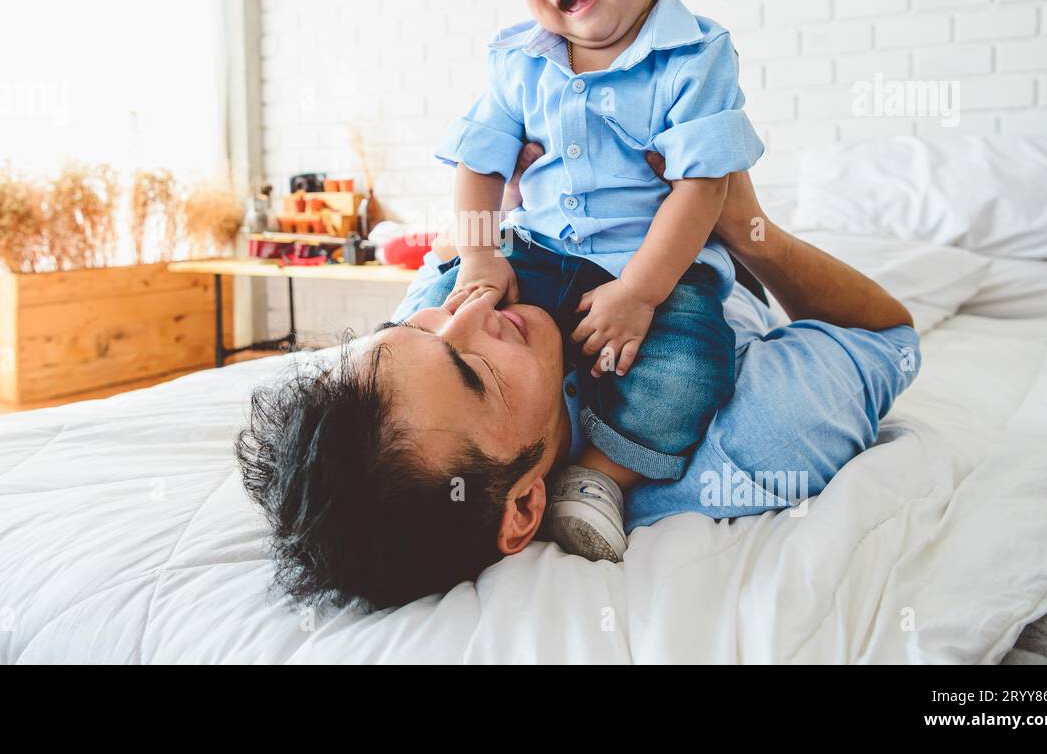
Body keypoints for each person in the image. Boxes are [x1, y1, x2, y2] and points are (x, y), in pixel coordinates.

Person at [235, 159, 920, 612]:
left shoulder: (444, 309)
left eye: (416, 328)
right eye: (472, 373)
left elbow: (462, 257)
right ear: (524, 510)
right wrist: (747, 230)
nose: (472, 310)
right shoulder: (755, 440)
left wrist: (526, 181)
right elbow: (888, 337)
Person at [435, 0, 764, 560]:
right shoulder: (518, 60)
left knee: (694, 359)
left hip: (655, 268)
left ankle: (599, 474)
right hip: (542, 246)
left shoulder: (696, 56)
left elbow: (702, 188)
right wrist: (483, 256)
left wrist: (642, 293)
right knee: (446, 295)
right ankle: (418, 410)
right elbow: (480, 162)